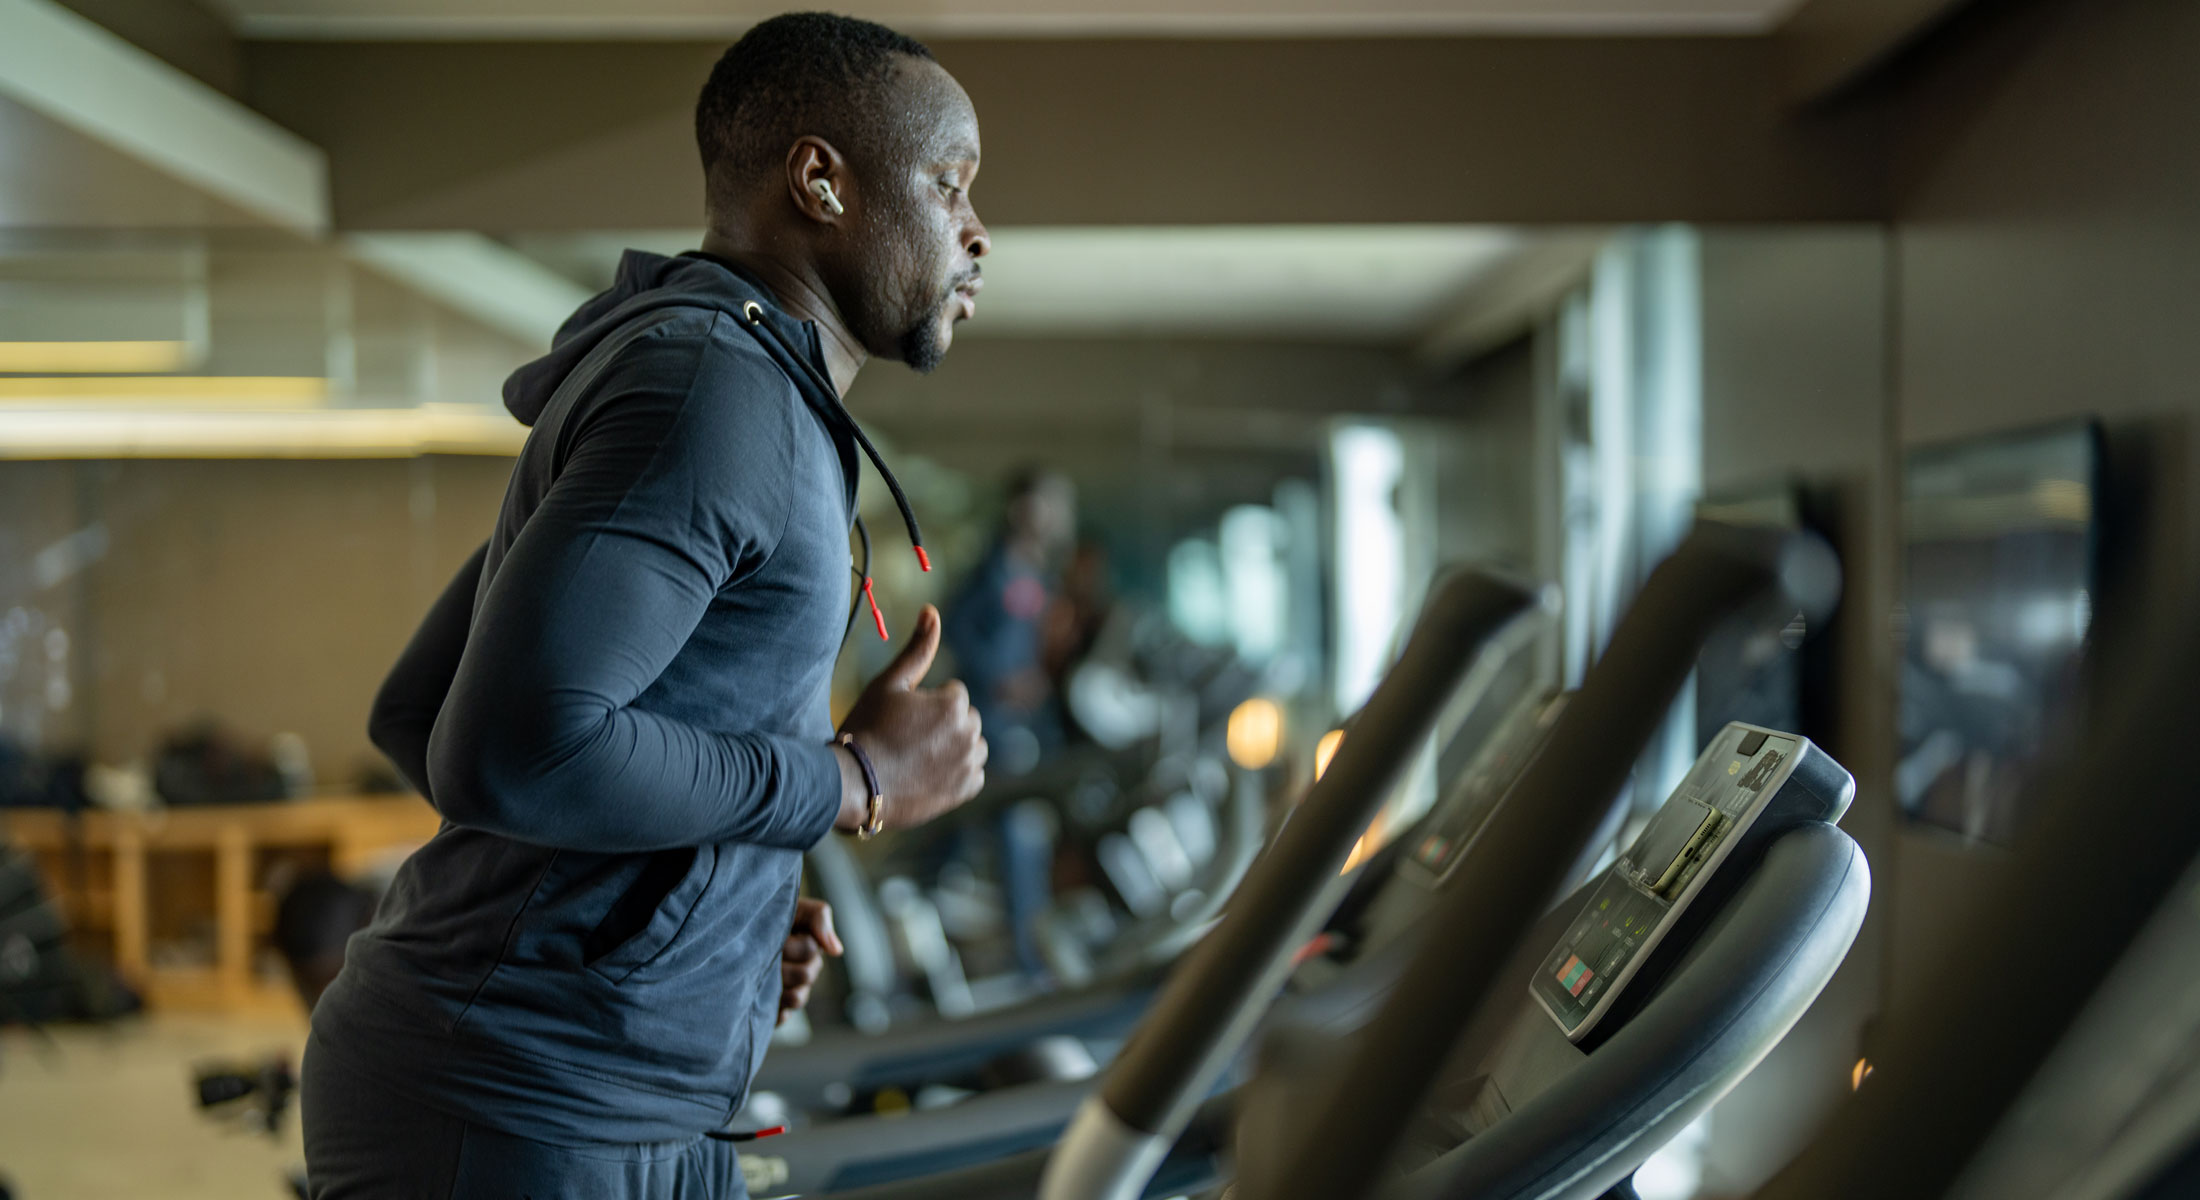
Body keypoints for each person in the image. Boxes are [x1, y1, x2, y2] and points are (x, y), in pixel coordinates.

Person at [300, 14, 992, 1197]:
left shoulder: (734, 388)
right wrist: (852, 784)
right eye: (949, 184)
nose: (978, 231)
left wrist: (694, 903)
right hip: (518, 1105)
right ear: (819, 180)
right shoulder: (711, 396)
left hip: (598, 1100)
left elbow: (421, 709)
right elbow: (505, 750)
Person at [944, 468, 1078, 774]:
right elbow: (954, 628)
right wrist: (998, 678)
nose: (1062, 514)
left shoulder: (1038, 573)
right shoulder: (992, 571)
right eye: (1052, 502)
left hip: (1022, 718)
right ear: (1022, 508)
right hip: (986, 716)